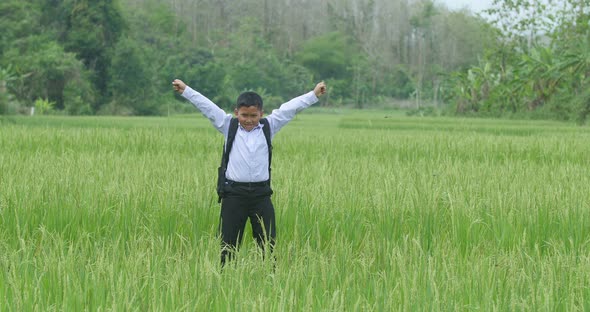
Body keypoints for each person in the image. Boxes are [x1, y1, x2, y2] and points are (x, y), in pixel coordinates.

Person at [172, 79, 327, 267]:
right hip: (233, 195)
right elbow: (207, 106)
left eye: (254, 115)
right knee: (228, 245)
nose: (249, 120)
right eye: (244, 115)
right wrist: (186, 91)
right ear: (236, 112)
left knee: (268, 245)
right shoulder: (228, 125)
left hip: (261, 196)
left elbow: (290, 108)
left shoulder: (269, 126)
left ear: (261, 113)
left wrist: (313, 95)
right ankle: (226, 280)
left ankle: (270, 280)